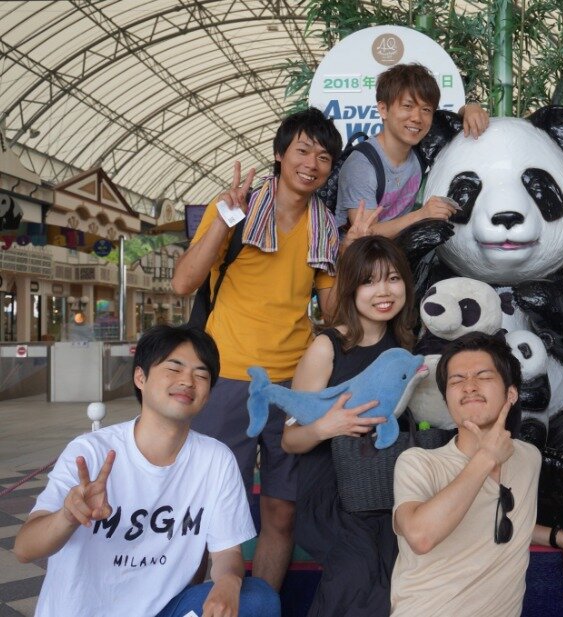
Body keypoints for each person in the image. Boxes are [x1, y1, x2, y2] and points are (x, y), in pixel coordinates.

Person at [170, 108, 378, 591]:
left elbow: (333, 312)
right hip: (228, 379)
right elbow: (183, 283)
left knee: (282, 511)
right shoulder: (235, 210)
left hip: (292, 385)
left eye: (323, 157)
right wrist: (223, 220)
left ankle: (261, 605)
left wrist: (351, 252)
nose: (312, 164)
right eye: (302, 151)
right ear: (280, 154)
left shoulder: (324, 227)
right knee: (210, 509)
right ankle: (195, 606)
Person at [13, 325, 280, 617]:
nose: (187, 381)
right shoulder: (90, 452)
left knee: (258, 599)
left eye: (201, 375)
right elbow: (24, 549)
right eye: (174, 369)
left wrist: (229, 581)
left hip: (164, 610)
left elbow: (227, 552)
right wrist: (67, 516)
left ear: (208, 393)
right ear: (140, 377)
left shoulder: (216, 460)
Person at [391, 332, 563, 617]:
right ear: (447, 399)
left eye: (483, 376)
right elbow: (421, 536)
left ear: (511, 393)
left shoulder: (528, 458)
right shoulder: (418, 463)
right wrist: (485, 458)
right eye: (456, 381)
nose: (469, 386)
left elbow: (498, 519)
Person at [281, 235, 418, 616]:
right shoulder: (327, 348)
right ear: (351, 289)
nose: (384, 291)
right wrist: (327, 426)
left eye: (393, 278)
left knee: (395, 572)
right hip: (331, 496)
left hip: (387, 490)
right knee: (360, 570)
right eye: (369, 281)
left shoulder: (406, 346)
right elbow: (290, 439)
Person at [335, 63, 490, 239]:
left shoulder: (419, 146)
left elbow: (451, 117)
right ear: (383, 109)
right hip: (361, 254)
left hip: (398, 251)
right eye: (407, 106)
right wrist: (422, 215)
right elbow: (365, 235)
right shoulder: (362, 165)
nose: (417, 118)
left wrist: (470, 108)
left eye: (426, 109)